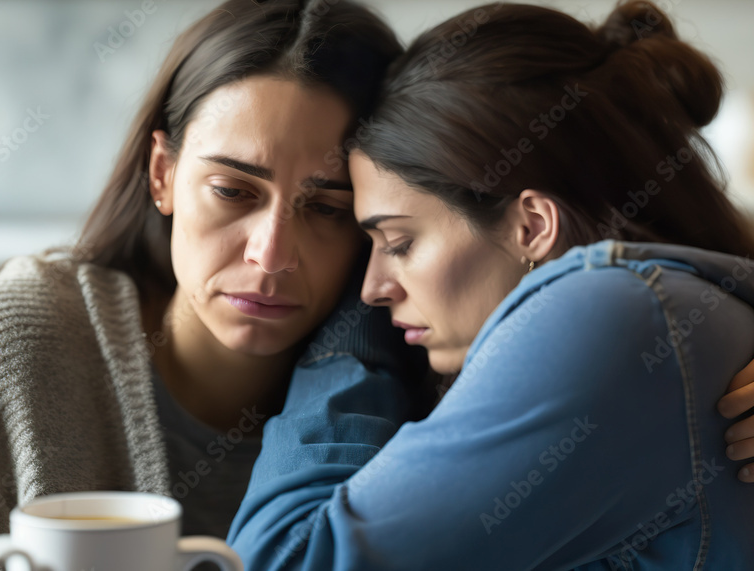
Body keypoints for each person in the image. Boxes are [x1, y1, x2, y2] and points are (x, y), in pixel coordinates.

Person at [0, 1, 429, 569]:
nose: (270, 256)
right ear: (163, 174)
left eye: (327, 209)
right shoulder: (2, 345)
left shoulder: (410, 392)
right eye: (233, 191)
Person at [228, 2, 754, 569]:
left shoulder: (613, 314)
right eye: (366, 250)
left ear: (532, 225)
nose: (372, 290)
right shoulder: (670, 309)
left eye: (400, 244)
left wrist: (346, 346)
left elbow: (283, 559)